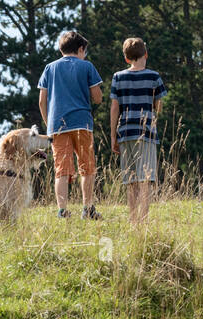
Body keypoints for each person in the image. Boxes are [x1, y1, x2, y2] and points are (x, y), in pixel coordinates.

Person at [38, 31, 103, 219]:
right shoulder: (87, 66)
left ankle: (62, 211)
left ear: (61, 49)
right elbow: (97, 97)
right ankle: (88, 209)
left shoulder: (49, 68)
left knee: (62, 169)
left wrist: (48, 122)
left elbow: (42, 101)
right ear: (81, 49)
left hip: (57, 125)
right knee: (87, 166)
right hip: (82, 122)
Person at [110, 36, 166, 224]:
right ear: (146, 54)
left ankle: (133, 219)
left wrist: (113, 136)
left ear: (126, 58)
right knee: (146, 179)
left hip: (125, 132)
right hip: (147, 132)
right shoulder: (154, 76)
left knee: (131, 179)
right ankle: (144, 218)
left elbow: (114, 108)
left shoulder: (118, 77)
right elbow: (158, 107)